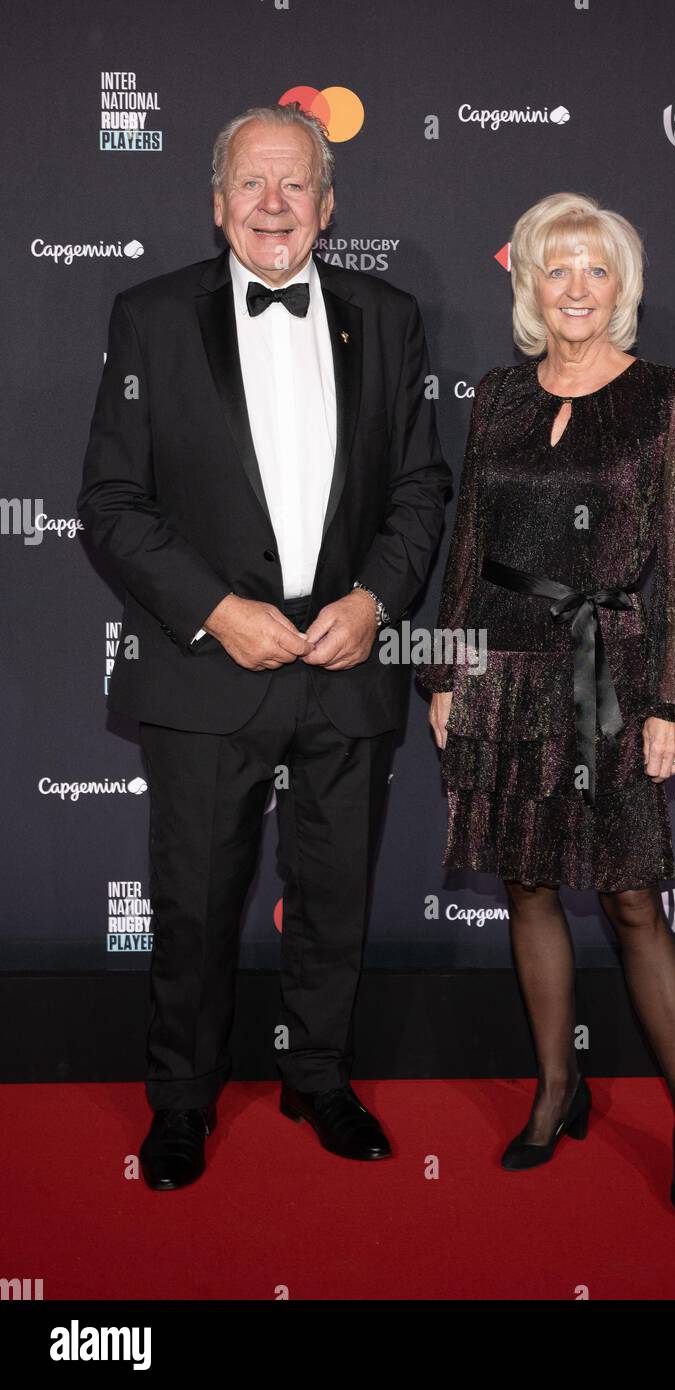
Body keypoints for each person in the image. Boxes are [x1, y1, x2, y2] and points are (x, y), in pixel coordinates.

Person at [78, 102, 449, 1189]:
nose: (274, 204)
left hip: (343, 670)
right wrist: (215, 610)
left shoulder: (386, 317)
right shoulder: (148, 318)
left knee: (334, 897)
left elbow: (422, 488)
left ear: (327, 208)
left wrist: (376, 600)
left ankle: (320, 1078)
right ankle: (182, 1103)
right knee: (192, 904)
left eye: (295, 185)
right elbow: (109, 500)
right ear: (215, 204)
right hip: (204, 671)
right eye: (252, 183)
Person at [417, 191, 675, 1219]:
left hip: (608, 674)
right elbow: (467, 549)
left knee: (631, 896)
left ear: (620, 288)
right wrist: (445, 673)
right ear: (530, 285)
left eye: (595, 270)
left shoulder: (663, 396)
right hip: (503, 671)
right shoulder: (496, 397)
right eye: (557, 269)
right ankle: (555, 1089)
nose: (576, 288)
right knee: (528, 886)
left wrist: (670, 699)